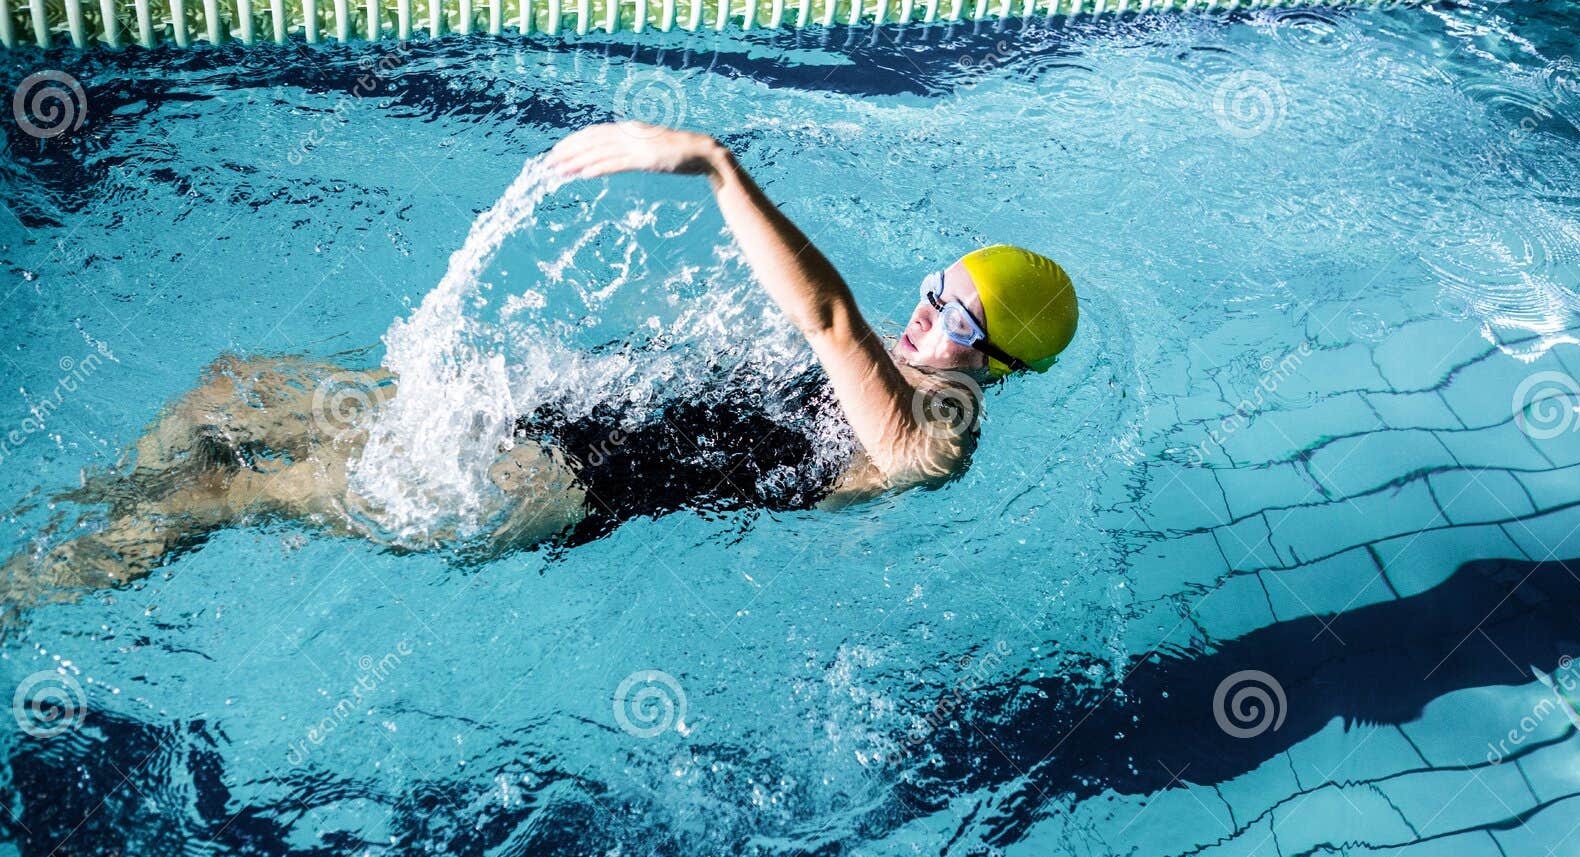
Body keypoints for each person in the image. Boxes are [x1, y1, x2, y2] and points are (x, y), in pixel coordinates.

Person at [0, 122, 1078, 608]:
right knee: (233, 387)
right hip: (544, 410)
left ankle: (26, 590)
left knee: (226, 487)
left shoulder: (938, 435)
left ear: (997, 359)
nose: (923, 312)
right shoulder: (905, 381)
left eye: (954, 315)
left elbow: (831, 321)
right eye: (935, 287)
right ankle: (86, 510)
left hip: (552, 487)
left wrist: (711, 164)